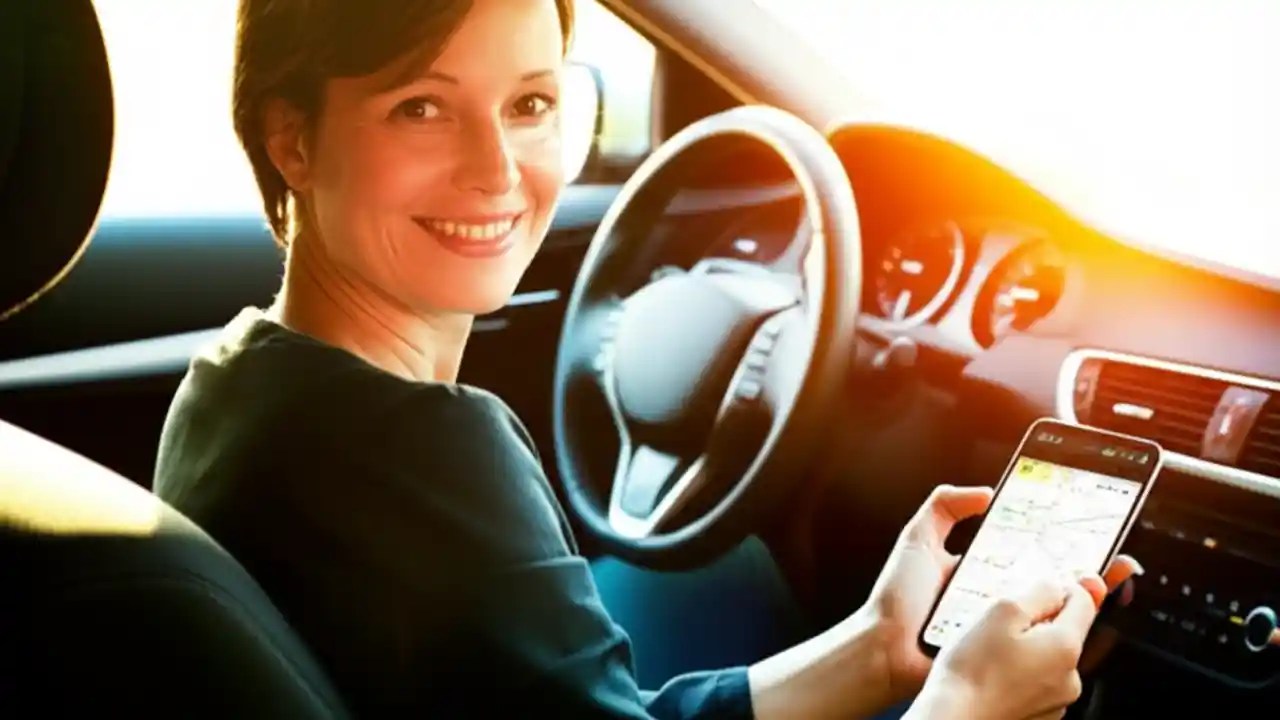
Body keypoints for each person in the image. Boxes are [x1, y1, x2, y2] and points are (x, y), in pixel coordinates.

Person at [153, 0, 1139, 717]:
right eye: (421, 107)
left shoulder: (237, 380)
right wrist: (964, 707)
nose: (499, 173)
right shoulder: (421, 446)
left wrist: (877, 654)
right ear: (292, 138)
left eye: (531, 104)